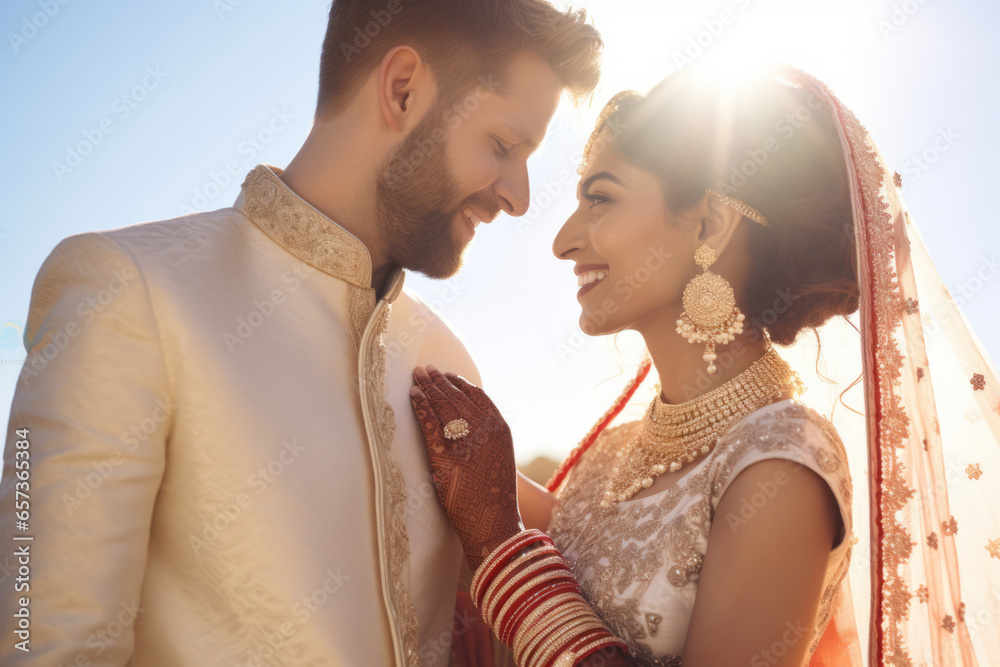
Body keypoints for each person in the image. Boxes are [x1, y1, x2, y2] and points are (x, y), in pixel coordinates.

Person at [0, 1, 602, 665]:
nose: (518, 196)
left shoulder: (445, 361)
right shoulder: (127, 288)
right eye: (503, 146)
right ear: (402, 89)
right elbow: (43, 642)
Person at [410, 64, 1000, 666]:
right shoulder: (612, 455)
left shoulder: (781, 462)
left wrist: (499, 546)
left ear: (712, 225)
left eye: (600, 199)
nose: (562, 240)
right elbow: (478, 511)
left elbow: (502, 540)